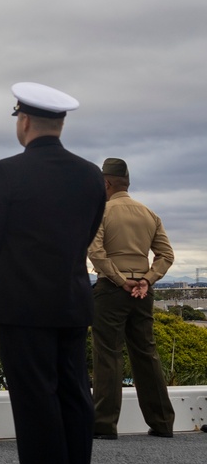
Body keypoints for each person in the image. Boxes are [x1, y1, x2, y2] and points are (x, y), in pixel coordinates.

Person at [0, 83, 105, 464]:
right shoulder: (89, 174)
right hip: (71, 298)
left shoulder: (7, 173)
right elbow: (86, 235)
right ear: (60, 124)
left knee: (35, 398)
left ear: (23, 122)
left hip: (23, 302)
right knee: (73, 393)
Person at [88, 157, 175, 440]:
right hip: (142, 292)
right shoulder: (148, 214)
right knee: (146, 354)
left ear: (106, 183)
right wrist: (146, 281)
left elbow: (96, 252)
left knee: (108, 355)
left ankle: (104, 424)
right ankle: (162, 422)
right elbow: (166, 255)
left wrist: (120, 280)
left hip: (112, 290)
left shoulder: (101, 211)